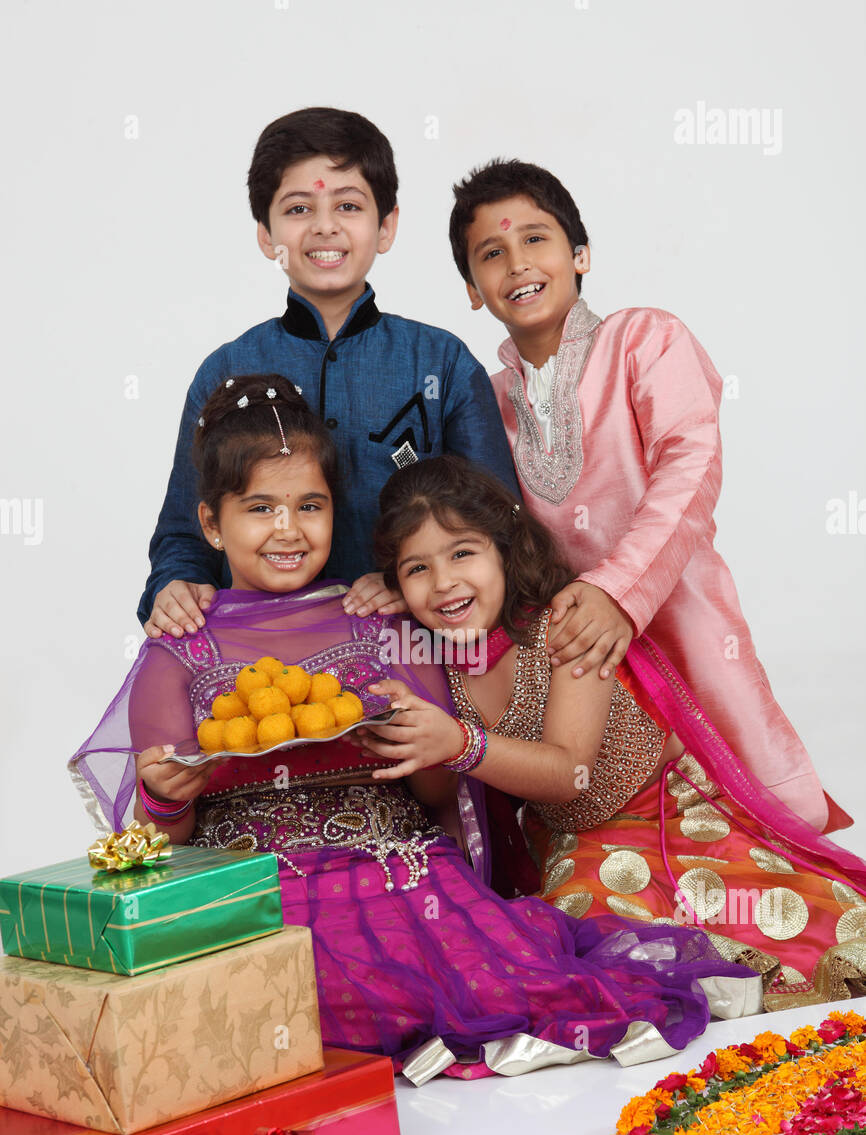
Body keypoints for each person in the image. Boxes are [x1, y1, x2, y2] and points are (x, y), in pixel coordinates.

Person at [71, 378, 760, 1085]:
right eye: (260, 509)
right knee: (254, 1005)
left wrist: (410, 741)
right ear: (212, 526)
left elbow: (437, 790)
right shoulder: (178, 643)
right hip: (252, 886)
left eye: (310, 506)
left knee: (484, 984)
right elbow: (161, 848)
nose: (288, 529)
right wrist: (167, 798)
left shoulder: (382, 622)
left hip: (394, 871)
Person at [361, 456, 866, 1013]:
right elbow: (439, 795)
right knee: (579, 933)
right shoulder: (438, 666)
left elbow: (566, 772)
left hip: (672, 819)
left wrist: (459, 743)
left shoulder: (566, 625)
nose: (444, 582)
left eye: (462, 553)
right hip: (578, 842)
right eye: (416, 569)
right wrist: (410, 732)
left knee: (782, 922)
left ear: (504, 551)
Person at [447, 158, 849, 834]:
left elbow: (689, 467)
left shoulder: (644, 339)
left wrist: (617, 590)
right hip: (577, 659)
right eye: (492, 253)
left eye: (536, 240)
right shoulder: (488, 403)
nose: (517, 264)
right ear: (472, 289)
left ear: (581, 255)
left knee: (751, 822)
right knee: (609, 829)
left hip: (680, 616)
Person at [137, 107, 518, 640]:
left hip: (411, 658)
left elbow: (502, 526)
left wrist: (410, 580)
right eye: (298, 208)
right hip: (254, 665)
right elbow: (183, 533)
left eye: (348, 205)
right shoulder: (224, 372)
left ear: (386, 227)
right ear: (267, 236)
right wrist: (174, 585)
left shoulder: (442, 363)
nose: (324, 225)